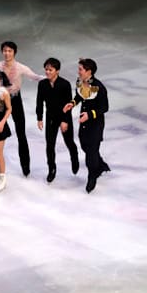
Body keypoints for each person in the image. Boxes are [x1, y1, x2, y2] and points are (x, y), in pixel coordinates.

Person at [0, 41, 44, 177]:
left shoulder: (21, 67)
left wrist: (51, 77)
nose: (7, 53)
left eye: (9, 51)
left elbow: (36, 77)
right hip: (1, 100)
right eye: (4, 50)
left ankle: (25, 166)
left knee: (21, 133)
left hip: (15, 100)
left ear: (14, 52)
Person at [63, 58, 110, 193]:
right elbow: (79, 96)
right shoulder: (80, 82)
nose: (78, 72)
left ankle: (92, 175)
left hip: (95, 123)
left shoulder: (98, 87)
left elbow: (105, 107)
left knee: (92, 150)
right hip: (83, 122)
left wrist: (89, 115)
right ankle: (100, 164)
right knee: (85, 146)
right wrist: (72, 103)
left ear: (89, 71)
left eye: (80, 69)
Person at [36, 57, 79, 183]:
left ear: (57, 71)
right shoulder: (42, 84)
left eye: (50, 70)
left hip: (64, 117)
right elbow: (39, 102)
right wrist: (39, 118)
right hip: (50, 117)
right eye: (46, 70)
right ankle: (52, 169)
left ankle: (74, 156)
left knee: (69, 142)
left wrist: (65, 120)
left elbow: (69, 104)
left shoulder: (64, 84)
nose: (47, 72)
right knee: (50, 145)